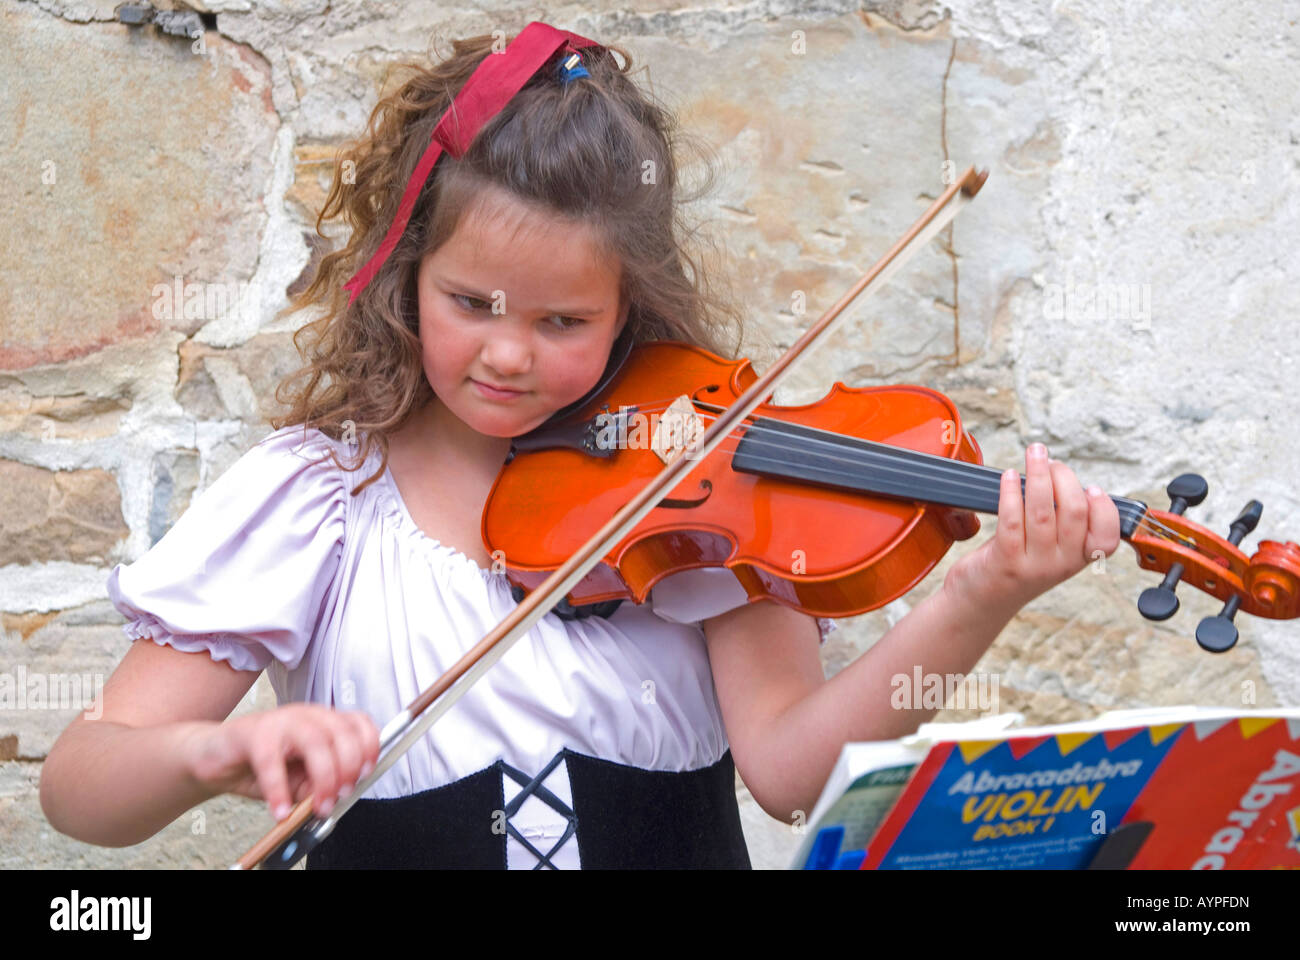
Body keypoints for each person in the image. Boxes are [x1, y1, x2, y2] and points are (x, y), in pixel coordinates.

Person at [39, 22, 1120, 869]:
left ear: (627, 312)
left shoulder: (705, 491)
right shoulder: (320, 497)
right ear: (406, 271)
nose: (509, 354)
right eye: (473, 302)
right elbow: (81, 787)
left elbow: (791, 772)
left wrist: (981, 593)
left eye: (563, 324)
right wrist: (208, 754)